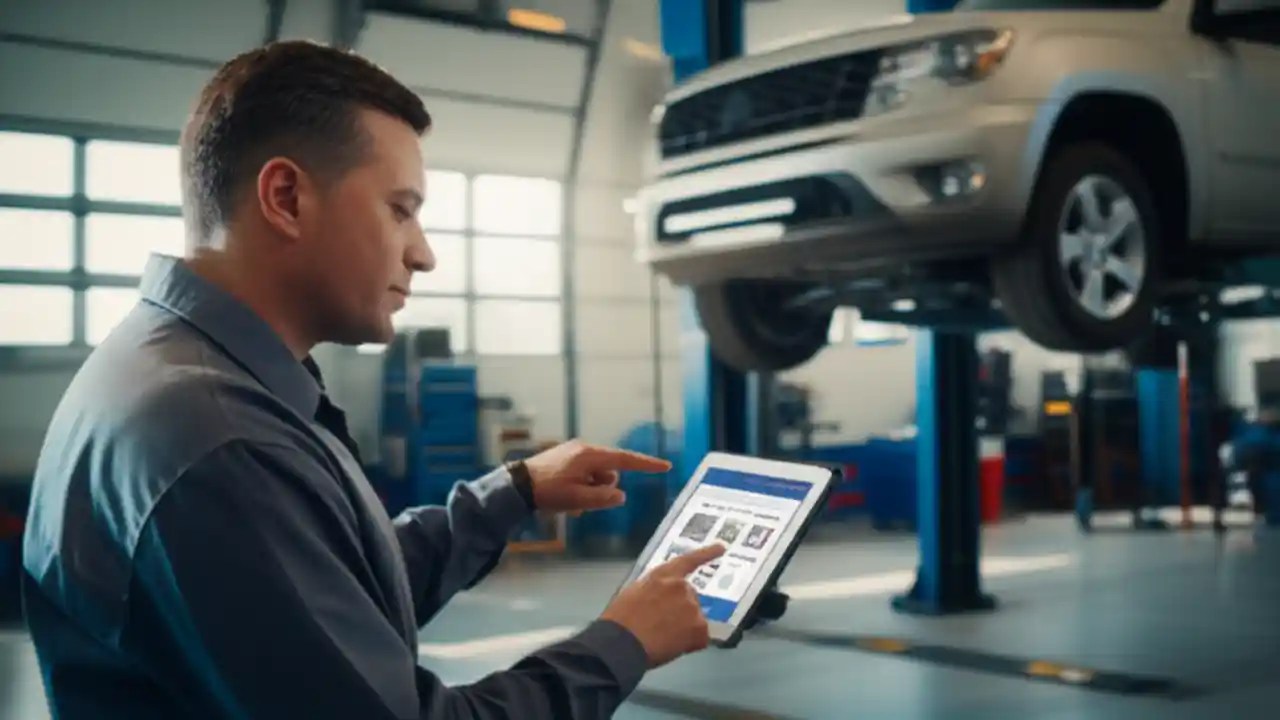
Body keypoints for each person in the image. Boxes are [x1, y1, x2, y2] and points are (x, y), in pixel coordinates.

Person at [21, 40, 724, 719]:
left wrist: (515, 493)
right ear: (287, 196)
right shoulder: (218, 440)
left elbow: (334, 599)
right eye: (401, 209)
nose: (423, 254)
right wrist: (624, 643)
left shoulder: (177, 374)